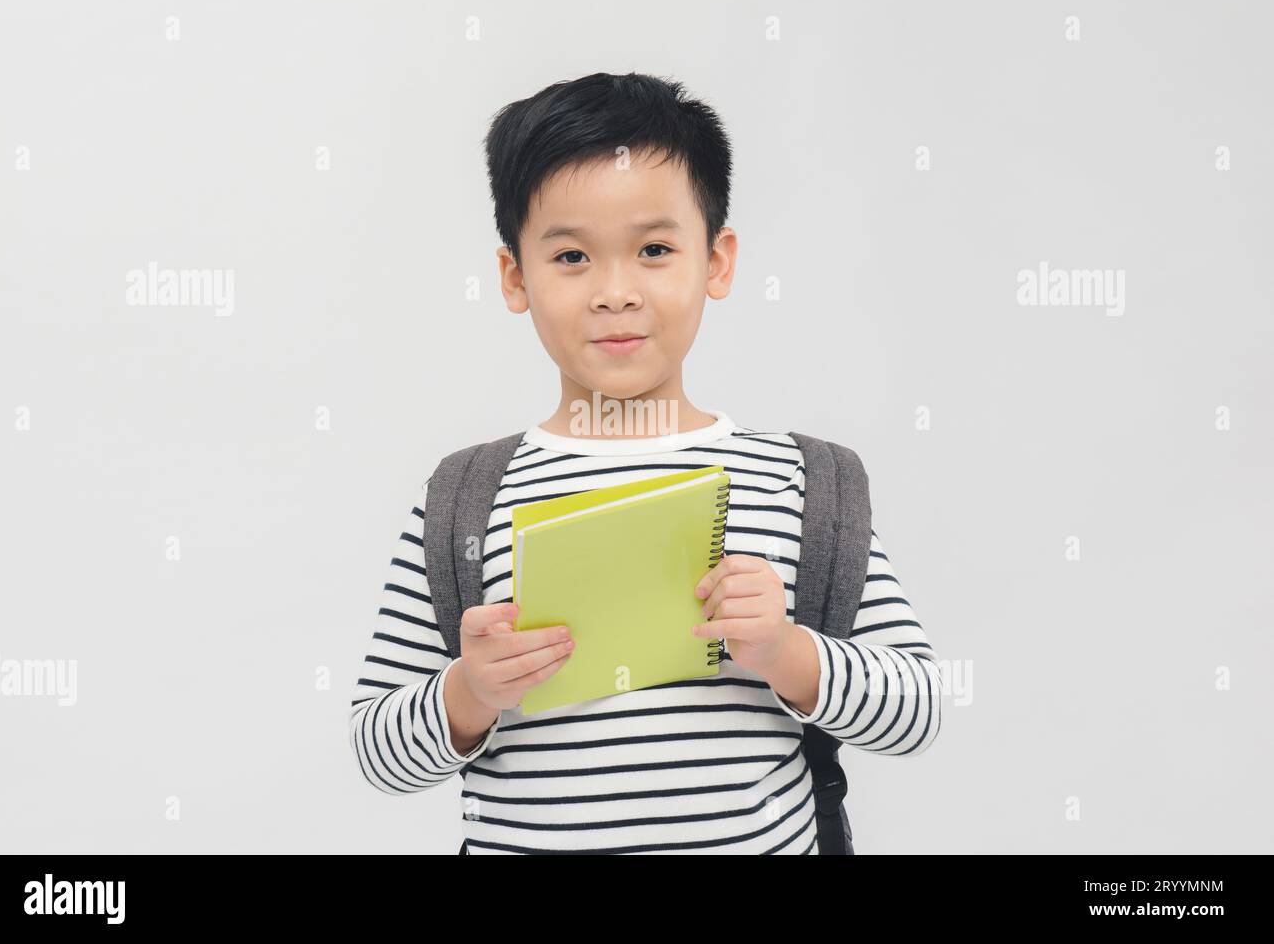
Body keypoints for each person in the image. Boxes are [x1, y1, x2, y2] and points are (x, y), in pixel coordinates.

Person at [349, 71, 941, 853]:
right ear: (514, 277)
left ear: (717, 262)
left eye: (655, 249)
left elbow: (918, 711)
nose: (615, 292)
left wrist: (786, 652)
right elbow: (376, 751)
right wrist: (470, 690)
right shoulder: (466, 499)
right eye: (571, 257)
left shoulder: (800, 486)